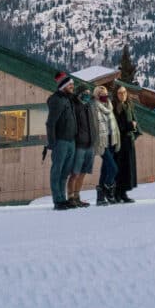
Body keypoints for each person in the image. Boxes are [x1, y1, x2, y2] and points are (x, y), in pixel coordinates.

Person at [43, 71, 78, 210]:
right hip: (61, 142)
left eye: (72, 85)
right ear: (63, 86)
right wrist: (52, 142)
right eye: (70, 85)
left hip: (71, 141)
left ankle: (63, 199)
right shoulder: (57, 100)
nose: (72, 87)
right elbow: (50, 123)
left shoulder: (68, 99)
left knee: (65, 172)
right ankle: (57, 200)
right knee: (57, 171)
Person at [67, 83, 95, 208]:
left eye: (89, 94)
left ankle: (77, 196)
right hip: (79, 145)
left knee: (83, 172)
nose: (87, 96)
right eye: (85, 93)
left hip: (90, 144)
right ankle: (70, 197)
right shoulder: (75, 107)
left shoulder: (88, 106)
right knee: (75, 173)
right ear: (79, 94)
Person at [93, 85, 121, 206]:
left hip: (112, 140)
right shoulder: (94, 107)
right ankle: (108, 190)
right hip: (102, 142)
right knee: (113, 168)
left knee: (105, 170)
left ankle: (100, 198)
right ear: (97, 96)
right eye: (101, 95)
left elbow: (114, 125)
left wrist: (117, 140)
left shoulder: (109, 106)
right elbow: (94, 126)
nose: (104, 97)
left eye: (106, 94)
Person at [112, 84, 139, 203]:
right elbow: (116, 125)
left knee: (128, 168)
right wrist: (130, 126)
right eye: (120, 93)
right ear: (116, 94)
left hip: (128, 141)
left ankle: (123, 193)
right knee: (120, 167)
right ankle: (117, 193)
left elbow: (135, 121)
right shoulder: (113, 107)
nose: (123, 95)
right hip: (119, 142)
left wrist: (134, 129)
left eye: (124, 92)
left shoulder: (129, 105)